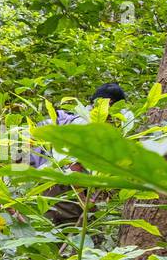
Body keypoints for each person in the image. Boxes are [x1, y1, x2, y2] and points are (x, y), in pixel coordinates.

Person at [31, 82, 127, 225]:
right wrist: (84, 202)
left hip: (47, 183)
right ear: (109, 104)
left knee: (51, 231)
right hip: (65, 187)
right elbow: (74, 168)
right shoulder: (90, 126)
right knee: (75, 228)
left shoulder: (77, 119)